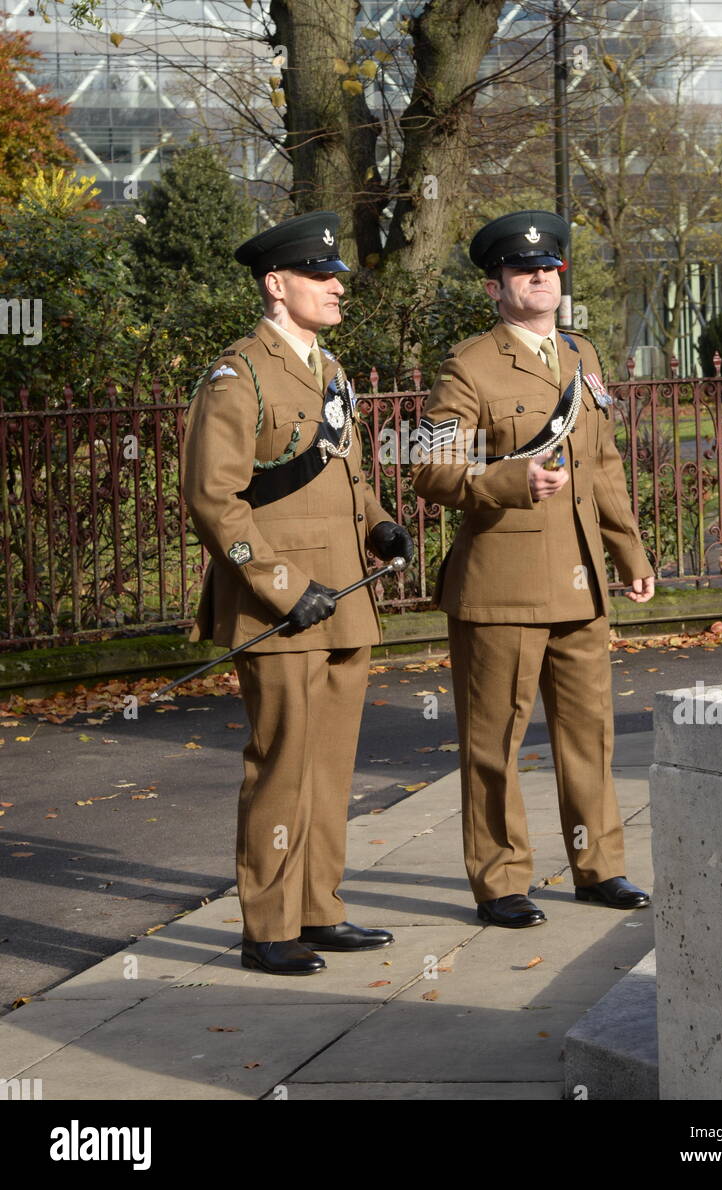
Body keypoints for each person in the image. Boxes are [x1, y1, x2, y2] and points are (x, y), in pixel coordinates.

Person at [182, 212, 413, 975]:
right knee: (282, 764)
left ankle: (319, 909)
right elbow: (214, 499)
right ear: (276, 286)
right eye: (321, 276)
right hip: (281, 606)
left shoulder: (331, 369)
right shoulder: (238, 373)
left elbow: (345, 478)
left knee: (330, 767)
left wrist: (380, 527)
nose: (337, 285)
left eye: (337, 275)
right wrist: (279, 583)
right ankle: (269, 926)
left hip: (344, 593)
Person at [411, 210, 655, 929]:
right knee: (494, 744)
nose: (540, 278)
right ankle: (499, 881)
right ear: (495, 288)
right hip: (501, 587)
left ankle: (598, 866)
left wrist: (627, 552)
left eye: (548, 268)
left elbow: (602, 464)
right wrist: (505, 481)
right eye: (524, 272)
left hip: (580, 581)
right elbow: (428, 466)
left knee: (589, 735)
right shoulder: (467, 365)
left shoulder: (581, 355)